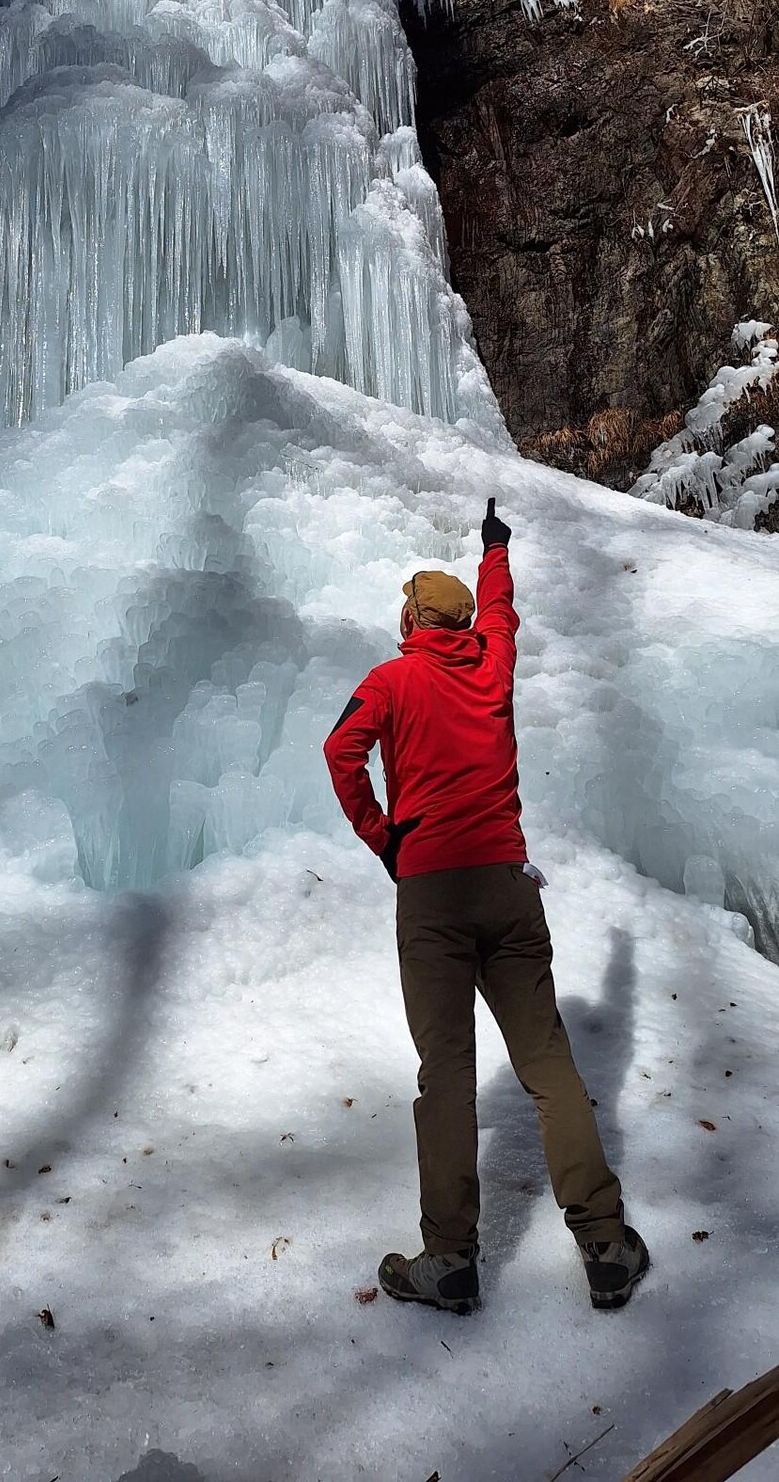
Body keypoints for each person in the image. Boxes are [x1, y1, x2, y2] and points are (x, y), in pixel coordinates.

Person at [323, 498, 648, 1317]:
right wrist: (494, 550)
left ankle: (449, 1260)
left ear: (409, 616)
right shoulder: (491, 659)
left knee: (446, 1076)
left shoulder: (390, 679)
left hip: (431, 891)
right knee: (547, 1065)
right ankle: (605, 1243)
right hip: (507, 884)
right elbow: (500, 611)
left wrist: (384, 837)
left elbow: (340, 751)